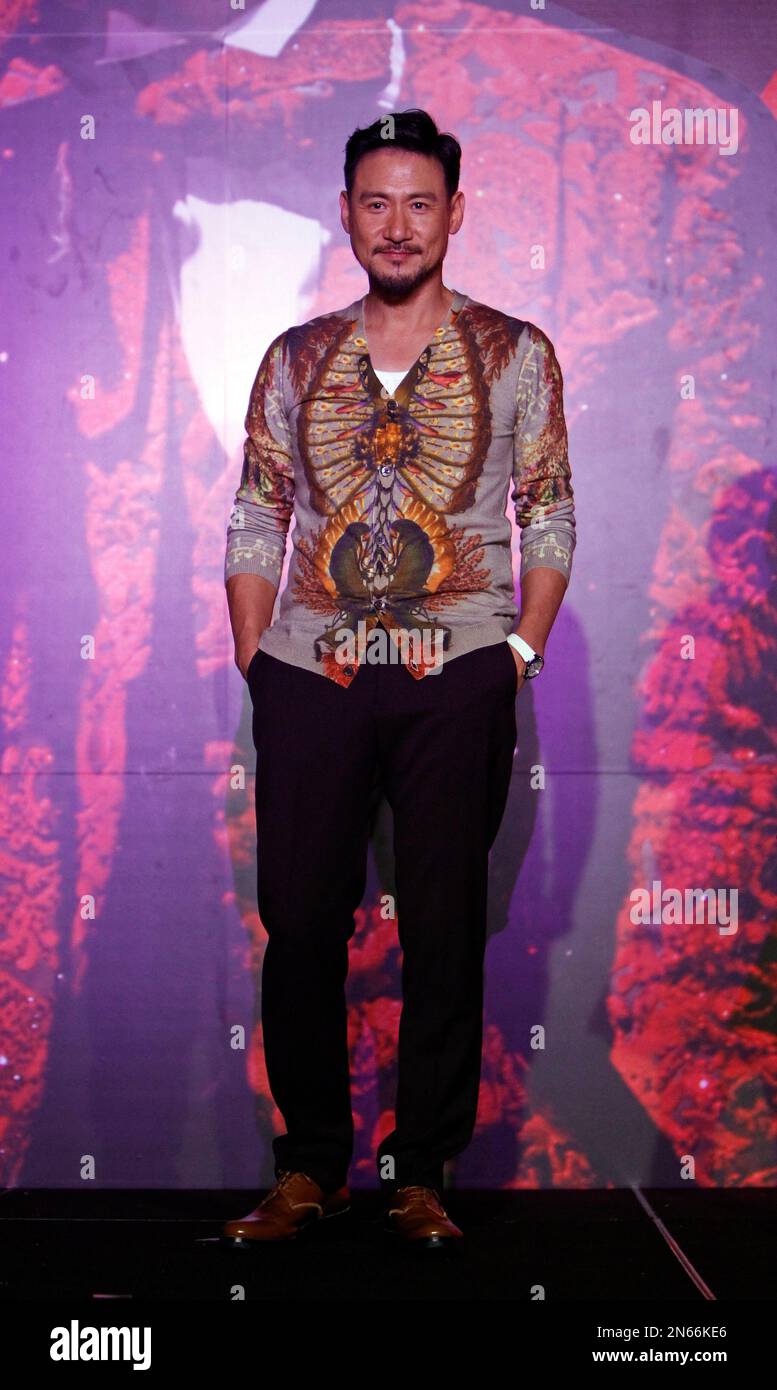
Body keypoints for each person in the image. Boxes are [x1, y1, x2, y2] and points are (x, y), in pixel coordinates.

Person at [222, 108, 576, 1249]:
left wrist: (515, 653)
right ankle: (308, 1168)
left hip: (457, 672)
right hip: (309, 675)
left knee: (441, 922)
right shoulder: (295, 357)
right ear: (346, 216)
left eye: (420, 202)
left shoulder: (516, 352)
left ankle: (420, 1171)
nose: (398, 224)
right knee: (303, 923)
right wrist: (258, 661)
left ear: (456, 213)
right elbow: (257, 510)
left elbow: (551, 509)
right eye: (376, 202)